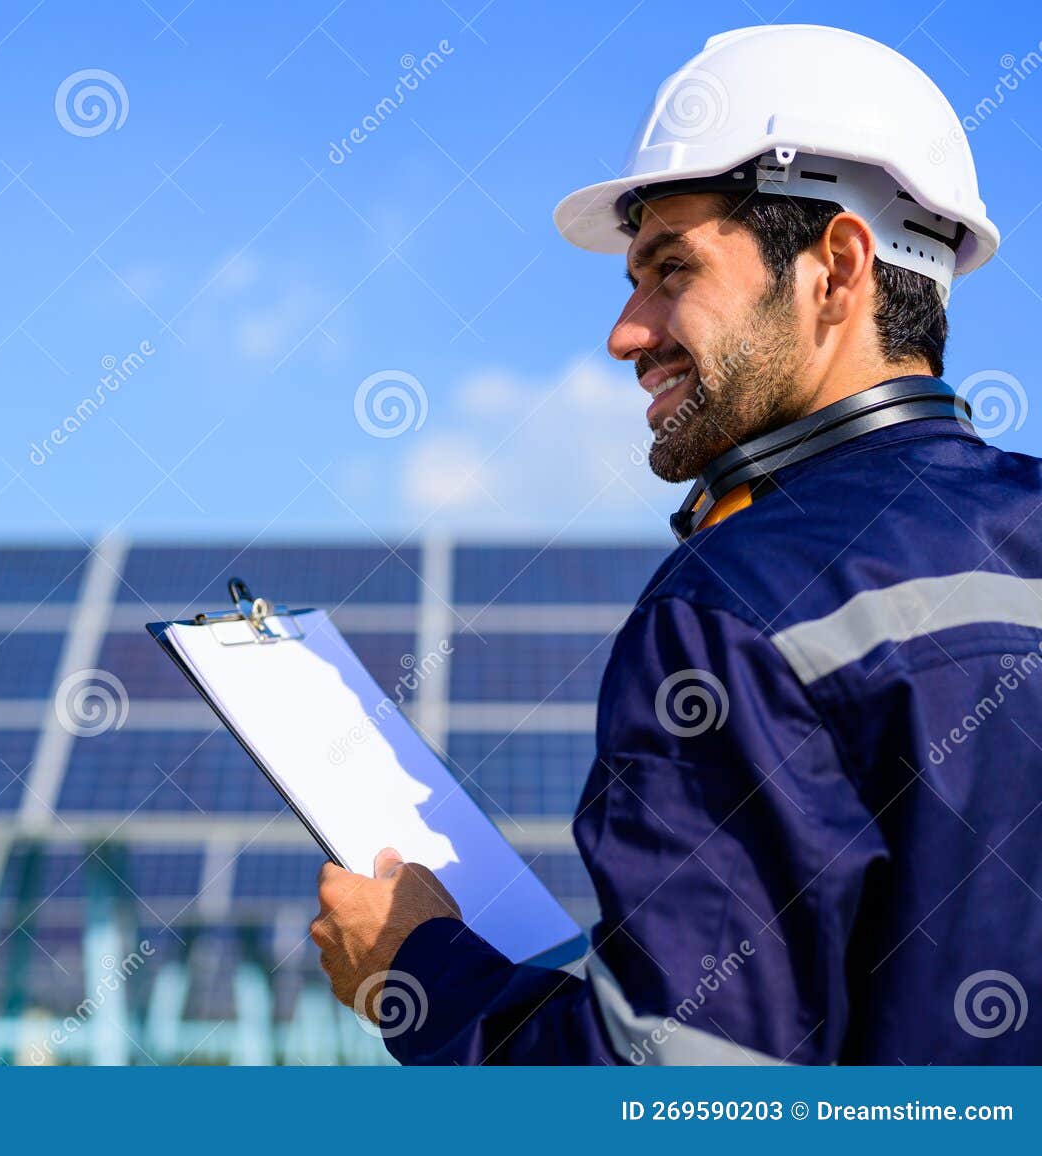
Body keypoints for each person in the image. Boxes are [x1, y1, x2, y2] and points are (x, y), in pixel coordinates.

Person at [311, 24, 1042, 1064]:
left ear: (835, 266)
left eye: (669, 269)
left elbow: (672, 1101)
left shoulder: (730, 612)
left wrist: (415, 976)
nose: (626, 331)